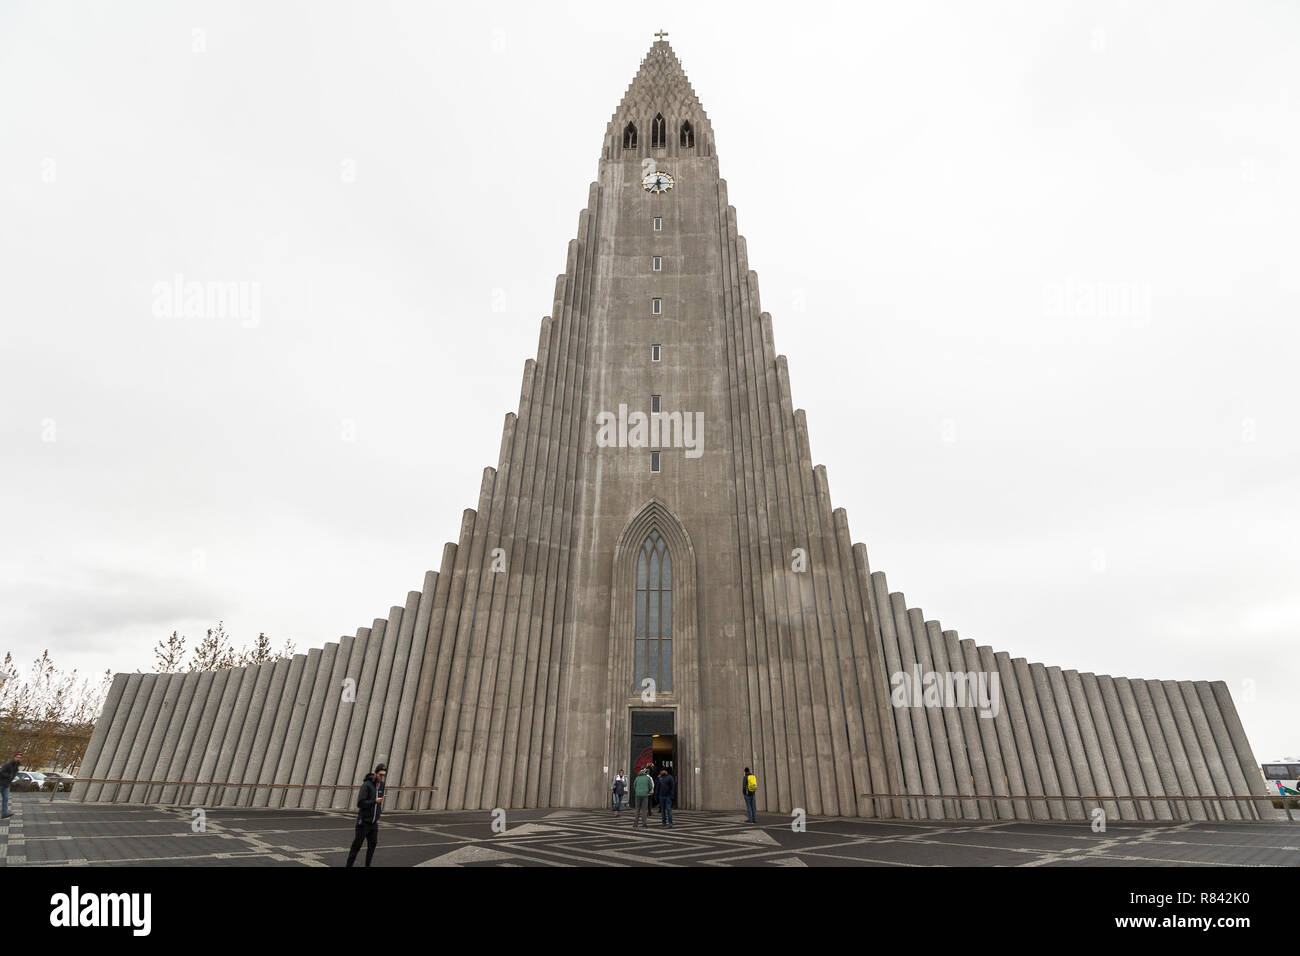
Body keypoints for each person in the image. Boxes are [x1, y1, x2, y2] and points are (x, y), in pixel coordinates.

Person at [346, 762, 387, 867]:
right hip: (363, 822)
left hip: (374, 823)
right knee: (357, 846)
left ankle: (367, 865)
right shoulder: (366, 785)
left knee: (372, 845)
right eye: (380, 774)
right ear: (375, 773)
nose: (382, 777)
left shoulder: (382, 785)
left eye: (384, 775)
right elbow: (360, 803)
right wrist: (374, 801)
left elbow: (378, 802)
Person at [0, 752, 21, 819]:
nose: (18, 759)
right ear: (14, 757)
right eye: (17, 757)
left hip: (7, 784)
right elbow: (1, 772)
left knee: (5, 799)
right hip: (1, 783)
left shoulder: (17, 765)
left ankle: (4, 813)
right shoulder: (8, 764)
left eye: (19, 758)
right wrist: (9, 776)